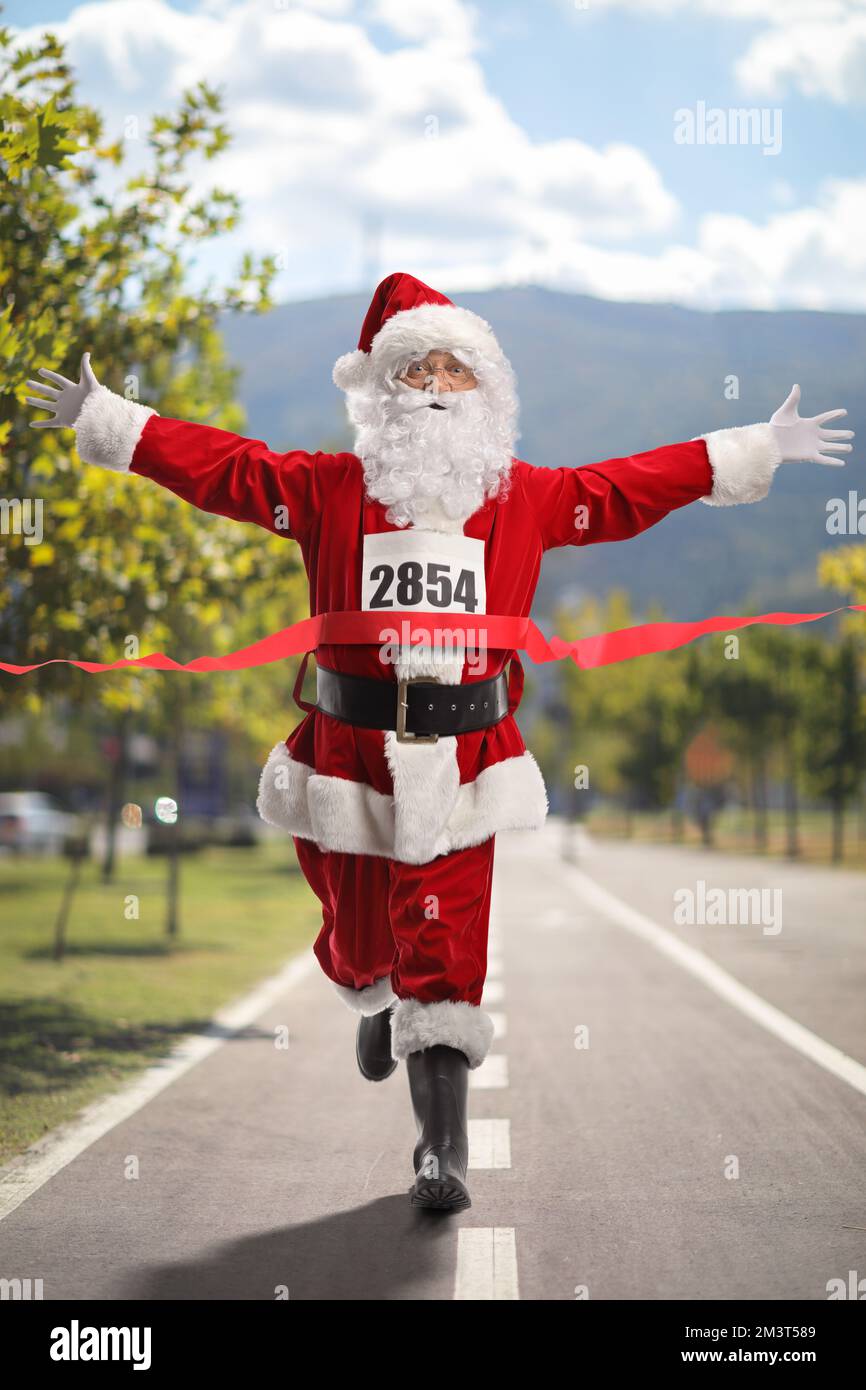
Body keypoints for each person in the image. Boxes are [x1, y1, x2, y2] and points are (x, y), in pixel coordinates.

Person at [25, 272, 853, 1212]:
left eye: (454, 369)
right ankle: (371, 993)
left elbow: (627, 488)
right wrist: (115, 422)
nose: (432, 383)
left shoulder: (529, 500)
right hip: (346, 756)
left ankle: (440, 1151)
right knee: (361, 938)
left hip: (466, 766)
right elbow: (228, 469)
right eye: (414, 367)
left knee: (446, 953)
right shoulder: (327, 488)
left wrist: (752, 447)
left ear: (486, 393)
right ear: (381, 391)